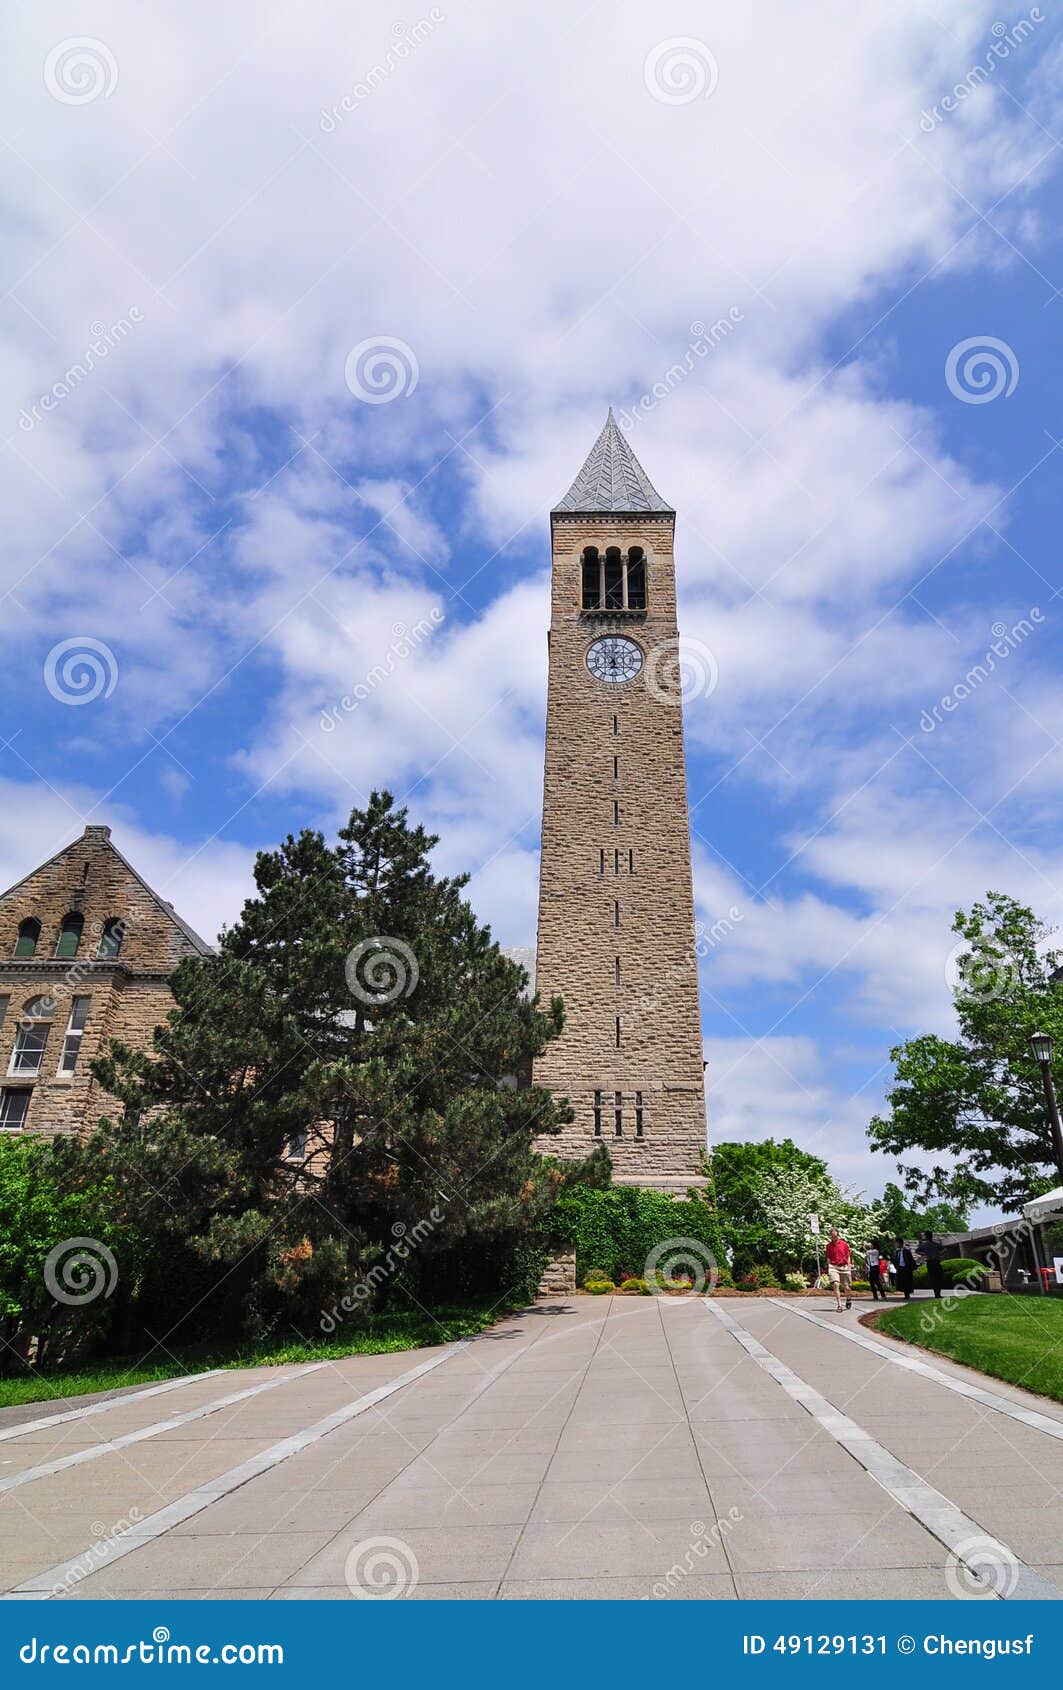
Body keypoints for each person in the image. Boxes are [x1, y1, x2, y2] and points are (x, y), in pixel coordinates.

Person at [825, 1226, 853, 1311]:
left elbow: (848, 1256)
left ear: (838, 1235)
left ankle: (848, 1298)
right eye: (832, 1236)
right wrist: (829, 1266)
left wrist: (848, 1266)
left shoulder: (844, 1244)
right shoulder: (829, 1246)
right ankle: (839, 1305)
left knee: (847, 1287)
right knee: (836, 1284)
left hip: (844, 1267)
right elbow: (828, 1257)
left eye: (835, 1236)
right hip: (833, 1267)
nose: (834, 1238)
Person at [919, 1230, 946, 1299]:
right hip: (936, 1262)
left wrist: (924, 1254)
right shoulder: (936, 1244)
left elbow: (917, 1251)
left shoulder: (924, 1245)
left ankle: (936, 1293)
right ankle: (938, 1293)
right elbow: (944, 1249)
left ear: (926, 1237)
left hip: (930, 1262)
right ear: (932, 1236)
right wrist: (939, 1254)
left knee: (933, 1278)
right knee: (939, 1277)